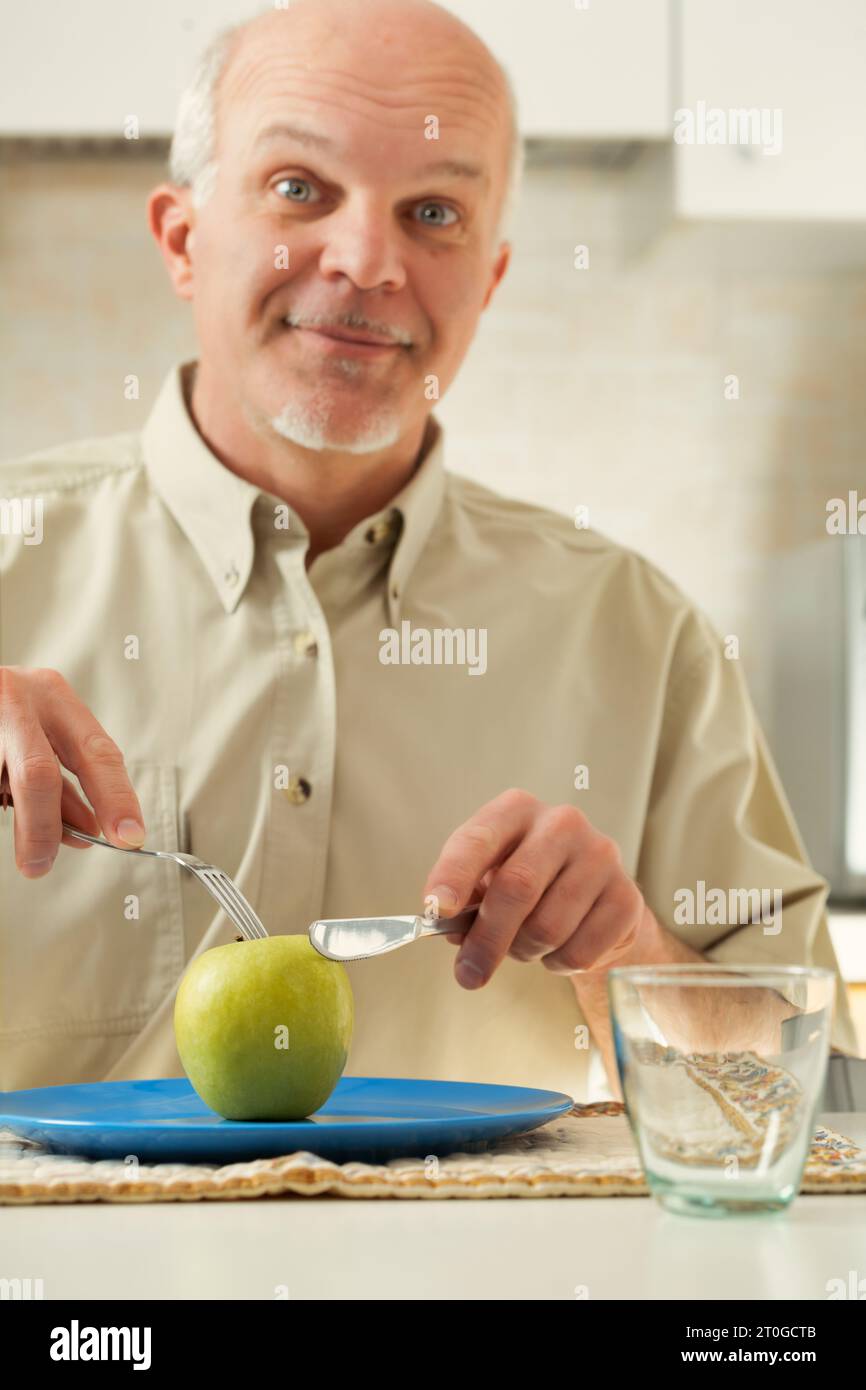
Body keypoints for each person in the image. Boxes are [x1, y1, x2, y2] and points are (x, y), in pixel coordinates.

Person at [0, 0, 855, 1102]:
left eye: (434, 211)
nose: (365, 262)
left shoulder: (639, 637)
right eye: (299, 188)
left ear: (488, 281)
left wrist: (627, 949)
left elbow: (820, 1110)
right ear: (181, 239)